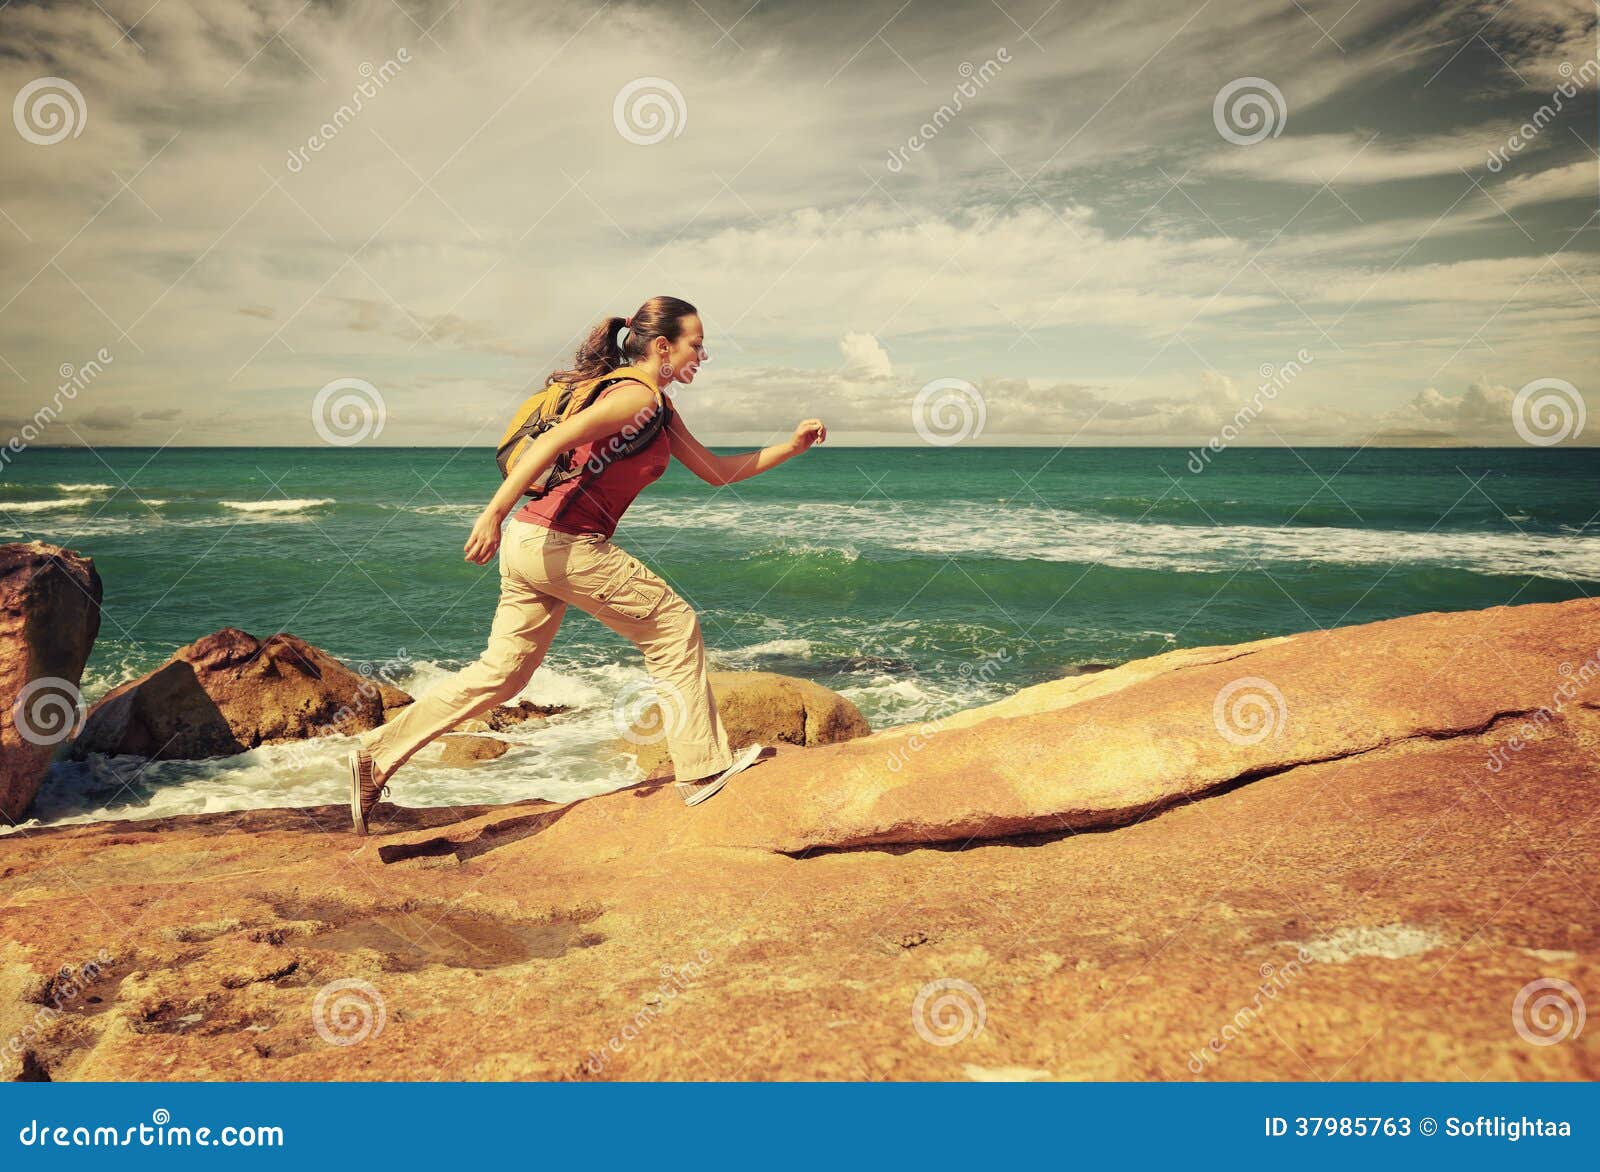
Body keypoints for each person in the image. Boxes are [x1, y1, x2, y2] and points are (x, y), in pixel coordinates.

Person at [346, 295, 827, 834]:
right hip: (561, 541)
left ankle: (375, 755)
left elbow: (716, 471)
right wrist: (492, 512)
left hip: (532, 544)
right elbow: (553, 440)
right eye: (697, 344)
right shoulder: (635, 398)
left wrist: (791, 446)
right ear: (664, 347)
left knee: (502, 675)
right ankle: (702, 770)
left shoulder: (656, 407)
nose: (703, 355)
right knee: (673, 627)